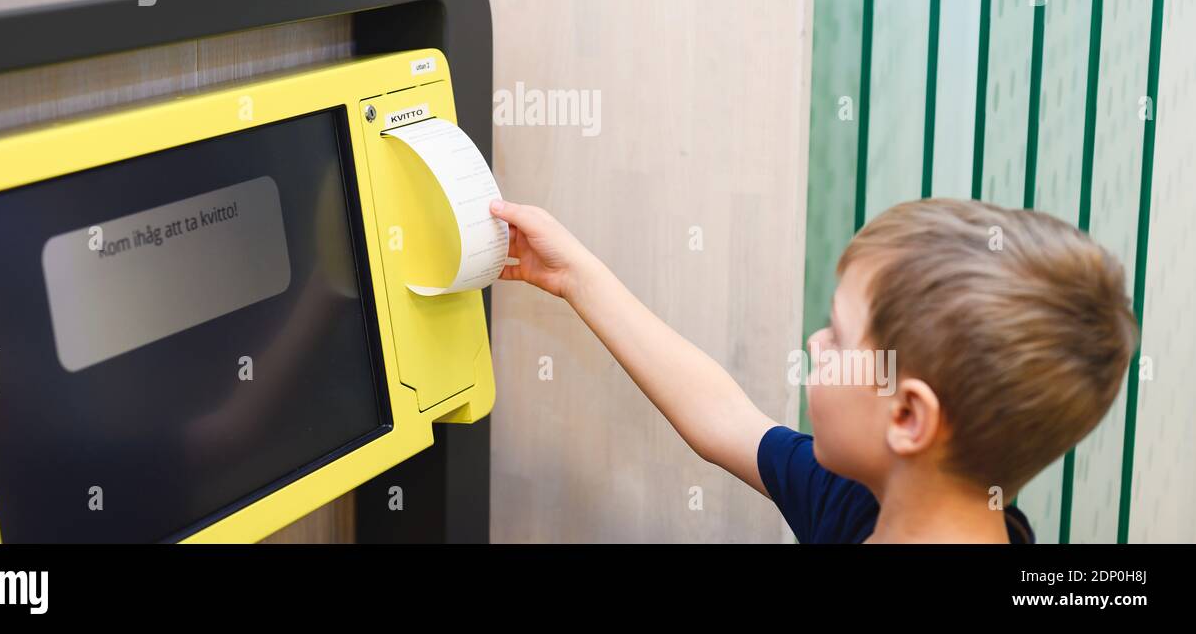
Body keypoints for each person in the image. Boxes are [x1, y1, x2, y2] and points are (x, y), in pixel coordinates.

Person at [488, 196, 1138, 543]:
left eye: (839, 336)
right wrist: (574, 275)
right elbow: (723, 418)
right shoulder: (871, 500)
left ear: (909, 416)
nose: (814, 341)